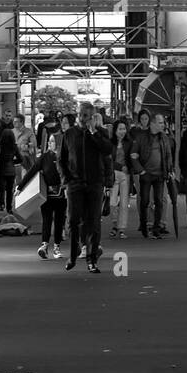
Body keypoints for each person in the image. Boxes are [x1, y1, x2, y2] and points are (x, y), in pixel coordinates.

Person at [59, 100, 112, 271]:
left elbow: (107, 150)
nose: (82, 119)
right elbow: (62, 159)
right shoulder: (69, 134)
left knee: (93, 222)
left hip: (95, 183)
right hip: (75, 183)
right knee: (74, 221)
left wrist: (94, 133)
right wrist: (66, 179)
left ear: (92, 117)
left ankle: (92, 259)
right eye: (80, 115)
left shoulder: (101, 133)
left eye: (86, 116)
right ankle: (73, 256)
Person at [131, 112, 176, 239]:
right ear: (153, 124)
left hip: (160, 175)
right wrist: (141, 171)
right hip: (146, 175)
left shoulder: (164, 137)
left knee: (159, 201)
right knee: (145, 201)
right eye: (160, 123)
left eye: (163, 122)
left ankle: (157, 227)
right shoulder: (141, 137)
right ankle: (144, 226)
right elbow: (133, 154)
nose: (163, 125)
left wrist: (170, 170)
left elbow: (168, 155)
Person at [26, 139, 67, 258]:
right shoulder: (44, 157)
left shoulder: (65, 157)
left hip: (61, 193)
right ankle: (44, 245)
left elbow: (71, 172)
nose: (50, 144)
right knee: (47, 220)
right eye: (49, 141)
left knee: (59, 221)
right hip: (46, 194)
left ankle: (56, 247)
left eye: (53, 141)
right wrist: (21, 187)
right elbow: (32, 171)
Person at [109, 117, 135, 238]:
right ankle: (115, 224)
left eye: (124, 129)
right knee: (112, 202)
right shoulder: (110, 143)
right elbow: (108, 160)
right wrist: (120, 166)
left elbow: (132, 159)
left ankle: (122, 228)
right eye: (120, 129)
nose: (122, 131)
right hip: (113, 173)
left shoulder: (130, 142)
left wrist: (130, 168)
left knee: (124, 203)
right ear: (115, 130)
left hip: (126, 175)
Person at [0, 120, 21, 213]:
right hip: (11, 171)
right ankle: (9, 208)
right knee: (9, 190)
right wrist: (13, 162)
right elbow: (21, 159)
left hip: (0, 170)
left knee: (1, 189)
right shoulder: (14, 146)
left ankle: (1, 205)